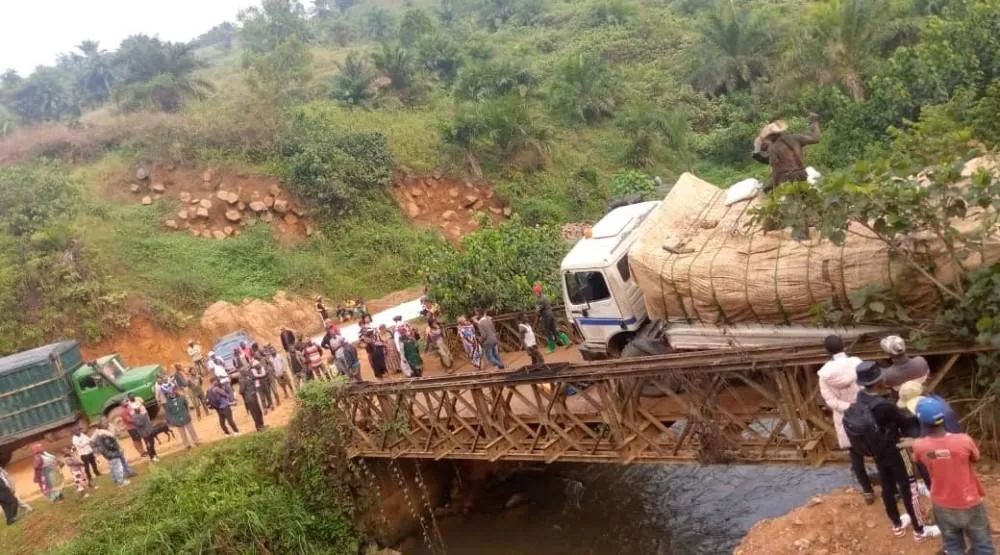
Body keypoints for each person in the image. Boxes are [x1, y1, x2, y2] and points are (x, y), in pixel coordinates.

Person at [847, 361, 940, 542]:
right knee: (909, 487)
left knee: (887, 485)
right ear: (878, 382)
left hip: (877, 451)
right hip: (896, 449)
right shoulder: (883, 405)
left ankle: (897, 524)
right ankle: (920, 530)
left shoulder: (860, 398)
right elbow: (903, 422)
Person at [913, 396, 995, 555]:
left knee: (953, 546)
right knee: (983, 545)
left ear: (922, 422)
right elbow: (975, 458)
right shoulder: (964, 440)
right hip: (970, 501)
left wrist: (937, 455)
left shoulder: (919, 446)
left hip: (942, 504)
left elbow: (920, 458)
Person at [816, 335, 872, 503]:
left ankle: (868, 491)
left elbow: (830, 401)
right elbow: (867, 386)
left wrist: (848, 407)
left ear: (827, 351)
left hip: (845, 416)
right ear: (844, 346)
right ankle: (893, 488)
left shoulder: (824, 374)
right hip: (865, 410)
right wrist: (860, 405)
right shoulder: (856, 362)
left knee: (855, 455)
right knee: (879, 450)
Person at [752, 113, 821, 192]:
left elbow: (767, 161)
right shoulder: (795, 138)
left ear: (769, 136)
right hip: (802, 175)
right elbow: (816, 139)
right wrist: (815, 122)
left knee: (766, 189)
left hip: (786, 180)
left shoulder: (772, 147)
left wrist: (757, 146)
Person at [535, 283, 570, 353]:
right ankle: (567, 341)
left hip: (546, 317)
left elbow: (538, 310)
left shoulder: (540, 300)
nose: (535, 294)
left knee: (548, 332)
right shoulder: (545, 297)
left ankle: (552, 348)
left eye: (535, 292)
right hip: (551, 315)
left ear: (538, 292)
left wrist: (536, 308)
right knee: (554, 330)